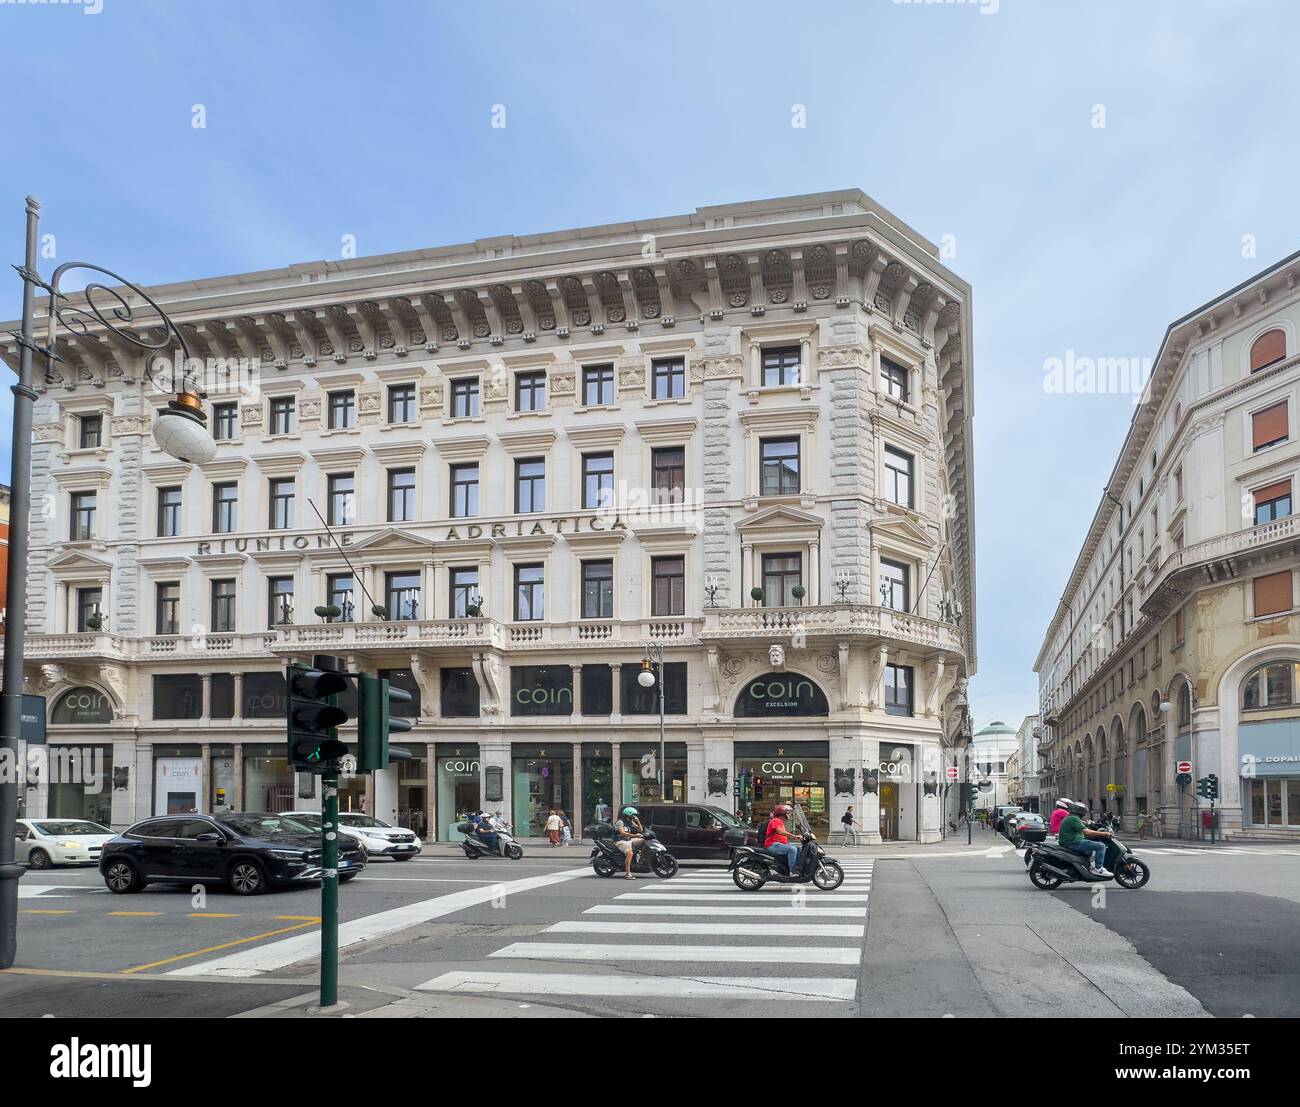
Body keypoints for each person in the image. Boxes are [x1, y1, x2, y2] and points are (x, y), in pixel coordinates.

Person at [1057, 800, 1112, 876]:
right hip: (1073, 843)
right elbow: (1087, 832)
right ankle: (1098, 868)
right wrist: (1103, 833)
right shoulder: (1074, 819)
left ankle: (1087, 865)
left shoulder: (1070, 817)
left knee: (1090, 843)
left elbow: (1082, 825)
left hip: (1069, 842)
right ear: (1080, 812)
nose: (1085, 813)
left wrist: (1090, 824)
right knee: (1101, 846)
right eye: (1084, 812)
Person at [764, 803, 801, 875]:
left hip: (779, 844)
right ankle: (792, 871)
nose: (789, 815)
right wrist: (794, 836)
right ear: (782, 813)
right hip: (772, 844)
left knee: (798, 848)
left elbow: (781, 834)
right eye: (788, 813)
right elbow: (780, 831)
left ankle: (797, 868)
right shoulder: (776, 820)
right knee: (792, 849)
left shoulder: (780, 822)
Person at [615, 806, 647, 879]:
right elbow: (622, 833)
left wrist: (638, 821)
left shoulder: (630, 822)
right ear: (629, 815)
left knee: (644, 841)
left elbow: (640, 830)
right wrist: (635, 835)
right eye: (633, 815)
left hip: (629, 840)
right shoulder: (620, 822)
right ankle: (628, 874)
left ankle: (639, 857)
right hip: (620, 841)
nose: (634, 816)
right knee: (630, 853)